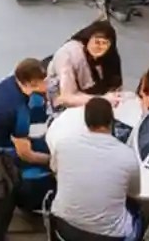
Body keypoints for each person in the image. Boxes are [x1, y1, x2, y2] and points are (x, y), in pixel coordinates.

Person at [50, 97, 142, 241]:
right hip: (108, 236)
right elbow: (135, 192)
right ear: (111, 121)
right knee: (137, 210)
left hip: (64, 227)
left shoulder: (63, 145)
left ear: (85, 122)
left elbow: (54, 169)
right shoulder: (127, 156)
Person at [0, 58, 54, 213]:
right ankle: (33, 202)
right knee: (54, 153)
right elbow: (26, 154)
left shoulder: (10, 82)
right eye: (44, 82)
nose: (47, 84)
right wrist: (53, 162)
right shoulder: (18, 110)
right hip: (4, 152)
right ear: (30, 84)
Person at [48, 20, 123, 108]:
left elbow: (115, 87)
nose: (100, 47)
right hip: (61, 100)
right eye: (97, 42)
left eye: (105, 43)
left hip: (93, 96)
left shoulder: (110, 56)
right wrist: (103, 100)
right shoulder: (68, 55)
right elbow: (66, 98)